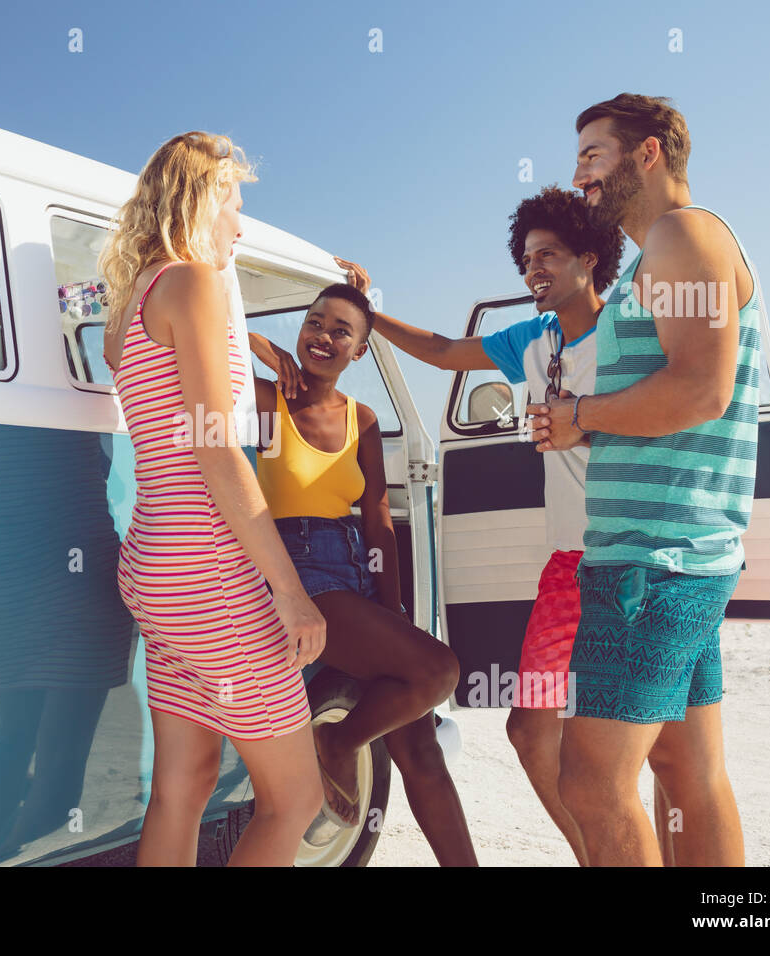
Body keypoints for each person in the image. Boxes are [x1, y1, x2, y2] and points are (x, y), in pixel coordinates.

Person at [337, 184, 624, 864]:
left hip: (628, 556)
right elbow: (442, 352)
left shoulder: (629, 333)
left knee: (637, 746)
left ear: (590, 258)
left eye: (548, 255)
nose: (534, 272)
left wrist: (584, 424)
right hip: (567, 565)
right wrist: (371, 315)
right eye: (526, 261)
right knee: (531, 733)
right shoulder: (535, 339)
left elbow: (679, 414)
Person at [529, 93, 761, 866]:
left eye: (594, 154)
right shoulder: (654, 257)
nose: (580, 173)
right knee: (685, 769)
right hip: (673, 557)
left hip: (656, 561)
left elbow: (702, 390)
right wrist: (580, 418)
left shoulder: (683, 234)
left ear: (649, 152)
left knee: (591, 782)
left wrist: (583, 415)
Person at [98, 132, 325, 866]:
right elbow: (216, 448)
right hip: (211, 575)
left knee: (183, 787)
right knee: (297, 799)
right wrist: (290, 591)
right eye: (233, 203)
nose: (239, 224)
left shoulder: (132, 308)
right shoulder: (191, 284)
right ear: (201, 199)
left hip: (155, 572)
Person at [250, 283, 476, 864]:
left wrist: (393, 608)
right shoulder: (264, 400)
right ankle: (340, 739)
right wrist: (264, 348)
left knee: (421, 746)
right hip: (297, 573)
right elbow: (202, 343)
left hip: (354, 571)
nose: (323, 336)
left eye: (341, 330)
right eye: (314, 322)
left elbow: (376, 517)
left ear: (360, 350)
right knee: (438, 669)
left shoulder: (364, 418)